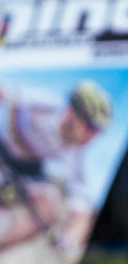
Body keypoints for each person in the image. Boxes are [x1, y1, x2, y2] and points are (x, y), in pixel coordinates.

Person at [0, 79, 111, 252]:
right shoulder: (47, 104)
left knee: (47, 210)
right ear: (72, 113)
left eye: (99, 132)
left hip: (24, 166)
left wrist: (68, 241)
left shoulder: (76, 157)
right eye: (91, 127)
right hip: (3, 142)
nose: (93, 137)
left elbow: (82, 211)